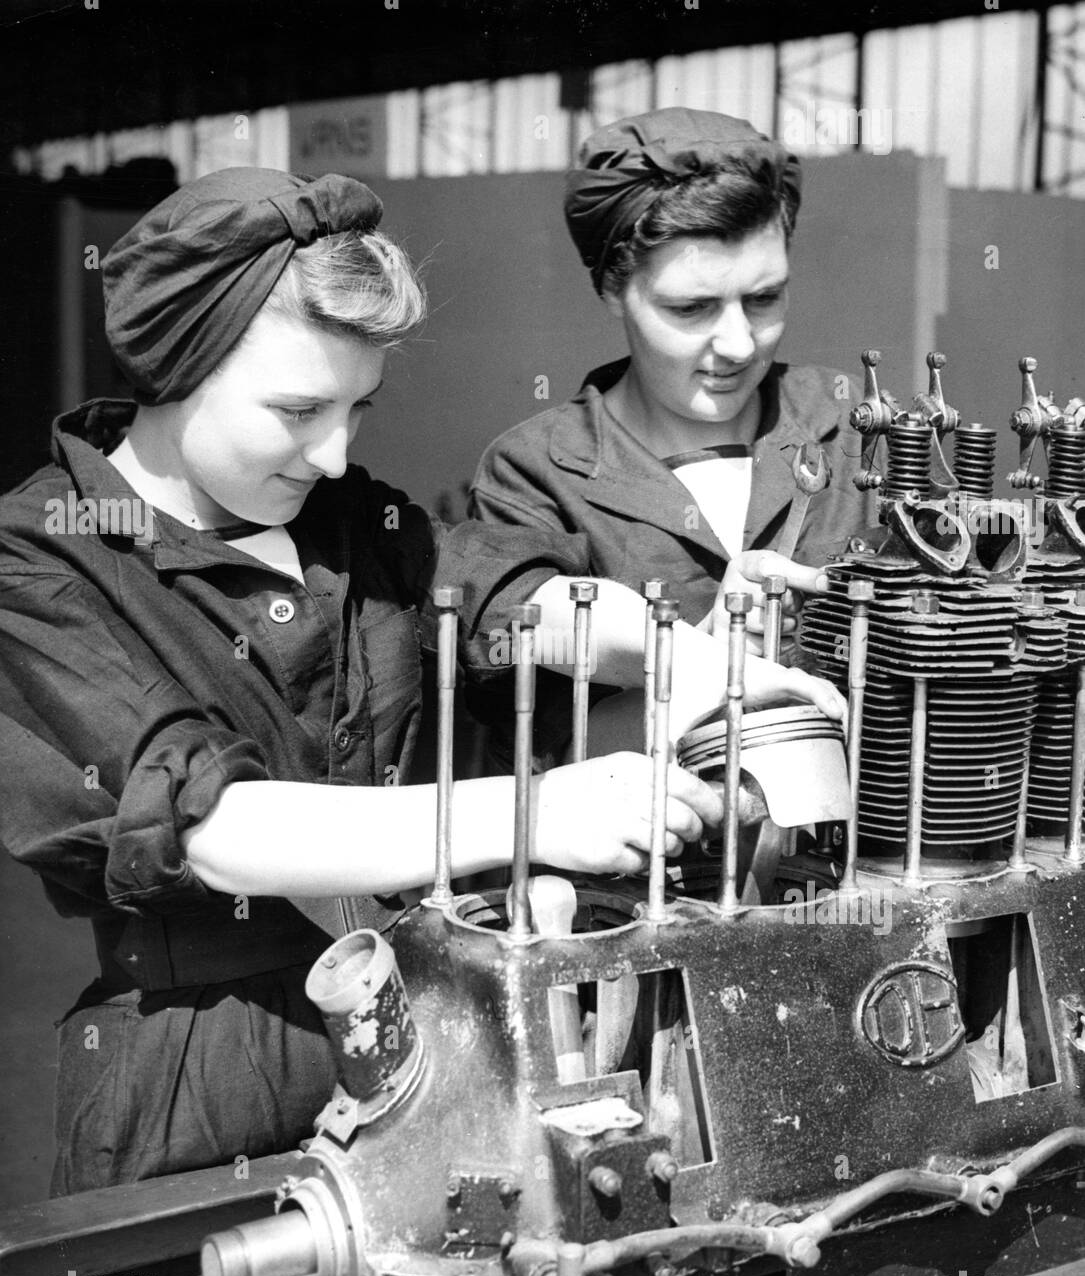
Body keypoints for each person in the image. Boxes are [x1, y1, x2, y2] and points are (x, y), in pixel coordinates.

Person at [0, 167, 844, 1196]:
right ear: (176, 368)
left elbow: (513, 598)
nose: (336, 449)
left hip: (432, 1045)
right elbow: (210, 826)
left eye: (360, 404)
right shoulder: (44, 560)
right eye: (298, 408)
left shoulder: (349, 520)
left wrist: (699, 658)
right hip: (207, 1082)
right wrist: (532, 812)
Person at [469, 107, 882, 762]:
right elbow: (537, 748)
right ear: (611, 289)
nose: (739, 343)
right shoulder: (534, 473)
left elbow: (972, 550)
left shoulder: (853, 424)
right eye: (690, 308)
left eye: (764, 298)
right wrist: (696, 664)